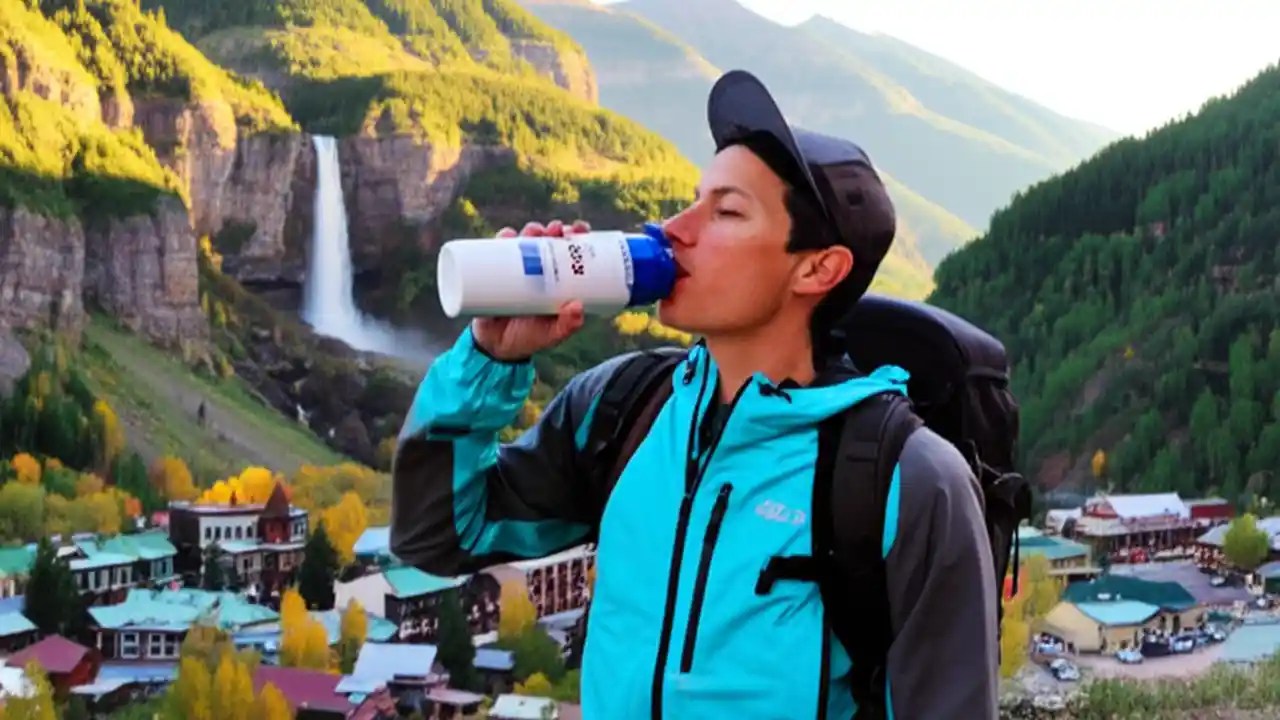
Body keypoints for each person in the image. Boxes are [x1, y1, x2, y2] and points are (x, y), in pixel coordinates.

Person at [391, 69, 998, 719]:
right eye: (692, 199)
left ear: (818, 267)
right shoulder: (620, 408)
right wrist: (490, 359)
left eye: (726, 211)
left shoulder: (906, 478)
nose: (675, 227)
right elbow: (439, 537)